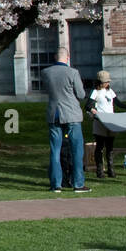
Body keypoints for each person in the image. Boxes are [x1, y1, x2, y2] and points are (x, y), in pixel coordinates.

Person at [42, 48, 89, 193]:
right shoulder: (73, 72)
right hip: (71, 114)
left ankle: (56, 184)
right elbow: (81, 94)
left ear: (55, 57)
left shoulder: (46, 72)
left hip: (54, 113)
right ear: (67, 58)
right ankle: (78, 183)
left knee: (55, 150)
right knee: (76, 150)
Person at [87, 70, 126, 178]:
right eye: (105, 82)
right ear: (100, 82)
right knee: (100, 147)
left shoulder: (110, 91)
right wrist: (93, 110)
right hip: (100, 122)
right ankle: (100, 171)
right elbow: (88, 105)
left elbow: (118, 103)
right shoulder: (95, 92)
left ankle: (111, 170)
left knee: (110, 148)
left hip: (111, 122)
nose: (107, 83)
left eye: (108, 82)